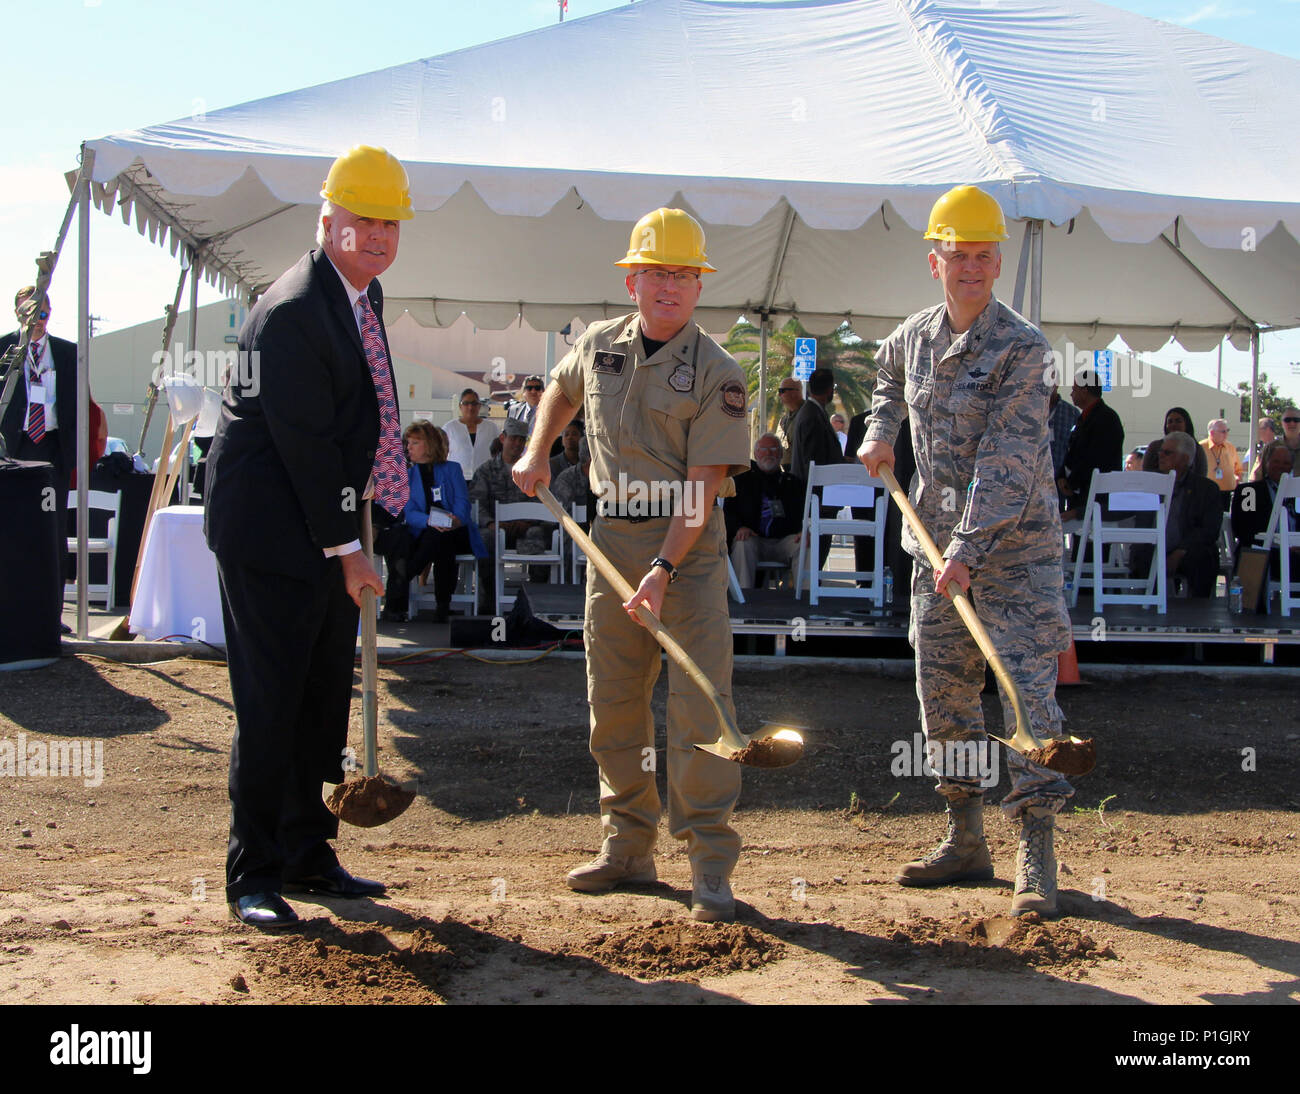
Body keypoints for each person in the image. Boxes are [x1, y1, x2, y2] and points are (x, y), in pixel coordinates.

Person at [511, 207, 750, 922]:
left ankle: (709, 862)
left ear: (698, 286)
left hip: (689, 551)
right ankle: (628, 847)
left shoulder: (719, 372)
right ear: (633, 279)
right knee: (613, 699)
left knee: (699, 703)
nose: (669, 287)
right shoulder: (600, 345)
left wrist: (665, 570)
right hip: (611, 541)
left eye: (683, 275)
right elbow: (559, 388)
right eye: (657, 274)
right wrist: (536, 448)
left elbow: (703, 487)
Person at [203, 145, 413, 929]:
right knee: (271, 703)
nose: (380, 236)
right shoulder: (294, 310)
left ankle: (307, 850)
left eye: (391, 223)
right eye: (365, 221)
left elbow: (356, 424)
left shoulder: (363, 294)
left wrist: (358, 532)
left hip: (324, 524)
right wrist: (349, 548)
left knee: (324, 697)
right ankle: (252, 871)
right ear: (328, 222)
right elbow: (304, 442)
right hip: (269, 531)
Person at [856, 184, 1074, 918]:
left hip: (1014, 551)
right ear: (935, 261)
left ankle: (1036, 847)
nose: (972, 270)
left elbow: (1008, 464)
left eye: (984, 257)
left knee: (1024, 694)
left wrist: (969, 550)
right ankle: (965, 834)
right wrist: (881, 428)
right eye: (960, 257)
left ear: (998, 262)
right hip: (934, 548)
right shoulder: (912, 336)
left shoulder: (1024, 348)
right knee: (944, 694)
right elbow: (885, 379)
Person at [2, 289, 81, 577]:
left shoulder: (67, 353)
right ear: (18, 314)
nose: (37, 322)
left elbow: (77, 404)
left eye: (43, 315)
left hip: (51, 449)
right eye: (31, 315)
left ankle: (53, 612)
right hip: (13, 448)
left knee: (52, 525)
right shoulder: (3, 348)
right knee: (12, 525)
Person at [381, 421, 487, 623]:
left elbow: (462, 504)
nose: (408, 447)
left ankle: (401, 582)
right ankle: (442, 605)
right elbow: (409, 513)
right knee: (438, 537)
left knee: (442, 535)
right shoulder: (409, 475)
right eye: (408, 443)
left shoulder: (452, 469)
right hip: (426, 531)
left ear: (429, 445)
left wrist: (454, 520)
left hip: (456, 530)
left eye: (414, 443)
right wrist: (430, 520)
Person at [1131, 431, 1223, 597]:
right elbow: (1119, 508)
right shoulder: (1148, 485)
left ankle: (1199, 613)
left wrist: (1181, 551)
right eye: (1160, 451)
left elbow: (1210, 529)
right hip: (1152, 549)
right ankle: (1149, 609)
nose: (1160, 456)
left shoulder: (1206, 489)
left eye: (1167, 452)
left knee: (1203, 556)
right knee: (1143, 555)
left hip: (1189, 550)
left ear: (1185, 459)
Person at [470, 416, 554, 592]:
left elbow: (541, 501)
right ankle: (490, 594)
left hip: (526, 529)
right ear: (503, 438)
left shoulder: (532, 472)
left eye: (521, 439)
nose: (517, 443)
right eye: (513, 438)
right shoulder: (485, 471)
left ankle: (537, 595)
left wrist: (530, 522)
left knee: (540, 535)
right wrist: (491, 523)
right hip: (495, 529)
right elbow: (477, 503)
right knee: (484, 538)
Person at [724, 433, 805, 588]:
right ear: (755, 454)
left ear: (781, 454)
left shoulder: (793, 483)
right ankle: (744, 597)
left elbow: (804, 513)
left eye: (774, 449)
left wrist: (805, 530)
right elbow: (727, 512)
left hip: (785, 541)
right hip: (754, 539)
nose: (768, 453)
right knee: (742, 544)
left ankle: (806, 597)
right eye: (763, 449)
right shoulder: (741, 481)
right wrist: (739, 528)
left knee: (805, 544)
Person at [1057, 369, 1123, 521]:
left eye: (1074, 389)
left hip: (1097, 499)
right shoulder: (1084, 418)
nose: (1071, 394)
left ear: (1084, 391)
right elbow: (1071, 451)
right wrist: (1062, 476)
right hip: (1080, 495)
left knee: (1092, 543)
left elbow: (1094, 458)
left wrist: (1072, 483)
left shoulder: (1106, 419)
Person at [1231, 440, 1296, 573]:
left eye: (1286, 463)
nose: (1281, 466)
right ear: (1266, 464)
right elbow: (1243, 530)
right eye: (1276, 462)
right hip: (1261, 551)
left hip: (1295, 552)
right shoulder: (1249, 492)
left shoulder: (1296, 492)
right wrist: (1275, 543)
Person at [789, 366, 843, 483]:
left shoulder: (812, 412)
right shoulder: (812, 417)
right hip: (812, 492)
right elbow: (813, 461)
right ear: (829, 390)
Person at [442, 387, 498, 480]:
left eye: (474, 403)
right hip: (457, 478)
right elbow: (441, 454)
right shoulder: (450, 428)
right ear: (460, 406)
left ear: (479, 406)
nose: (470, 407)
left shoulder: (491, 428)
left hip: (485, 479)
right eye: (466, 403)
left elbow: (499, 452)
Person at [1144, 406, 1207, 478]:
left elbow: (1201, 475)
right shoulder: (1154, 446)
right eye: (1170, 421)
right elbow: (1146, 474)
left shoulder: (1197, 448)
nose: (1173, 424)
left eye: (1178, 421)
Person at [1201, 418, 1244, 511]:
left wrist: (1237, 478)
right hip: (1208, 493)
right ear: (1212, 433)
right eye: (1223, 431)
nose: (1226, 434)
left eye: (1227, 431)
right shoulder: (1201, 447)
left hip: (1228, 493)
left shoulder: (1230, 447)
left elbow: (1238, 469)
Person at [1046, 389, 1080, 481]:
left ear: (1057, 384)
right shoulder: (1030, 411)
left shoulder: (1072, 413)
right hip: (1032, 481)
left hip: (1060, 481)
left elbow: (1077, 450)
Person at [774, 378, 803, 469]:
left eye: (782, 391)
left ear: (795, 392)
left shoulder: (806, 416)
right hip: (785, 472)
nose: (779, 394)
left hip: (800, 472)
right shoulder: (783, 420)